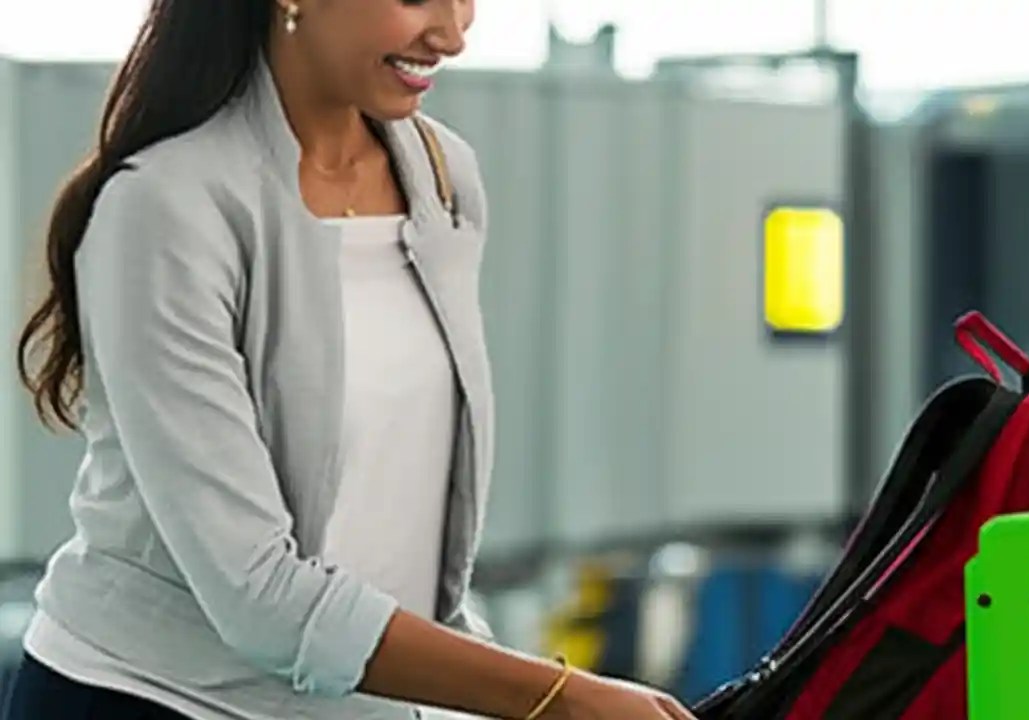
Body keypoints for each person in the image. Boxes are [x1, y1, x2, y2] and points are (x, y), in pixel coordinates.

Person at [3, 1, 697, 719]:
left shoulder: (440, 173)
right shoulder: (164, 207)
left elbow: (402, 537)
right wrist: (560, 697)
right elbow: (259, 596)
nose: (452, 35)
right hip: (155, 700)